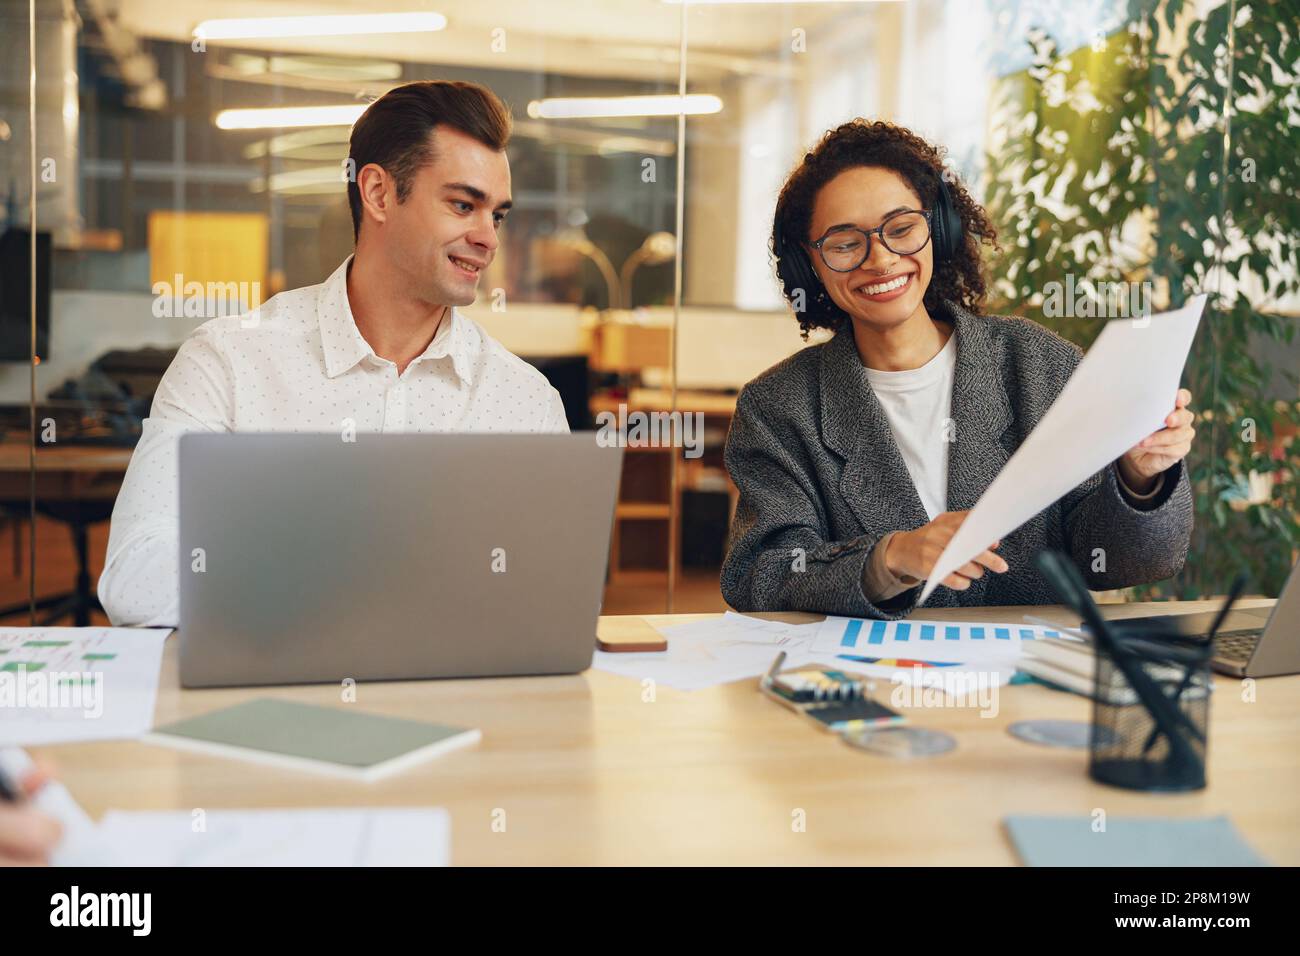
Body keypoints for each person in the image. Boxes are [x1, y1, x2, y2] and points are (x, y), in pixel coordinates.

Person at [99, 81, 568, 628]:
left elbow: (552, 595)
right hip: (275, 677)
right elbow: (136, 577)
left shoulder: (525, 402)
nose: (488, 238)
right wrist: (354, 584)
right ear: (378, 193)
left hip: (458, 680)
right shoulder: (228, 361)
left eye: (497, 215)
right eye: (463, 205)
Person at [721, 119, 1195, 618]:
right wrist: (891, 559)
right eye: (844, 244)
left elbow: (1122, 563)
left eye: (901, 229)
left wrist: (1138, 477)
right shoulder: (778, 407)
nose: (880, 260)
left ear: (938, 230)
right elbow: (761, 577)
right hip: (868, 664)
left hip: (1028, 665)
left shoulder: (1038, 364)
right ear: (809, 264)